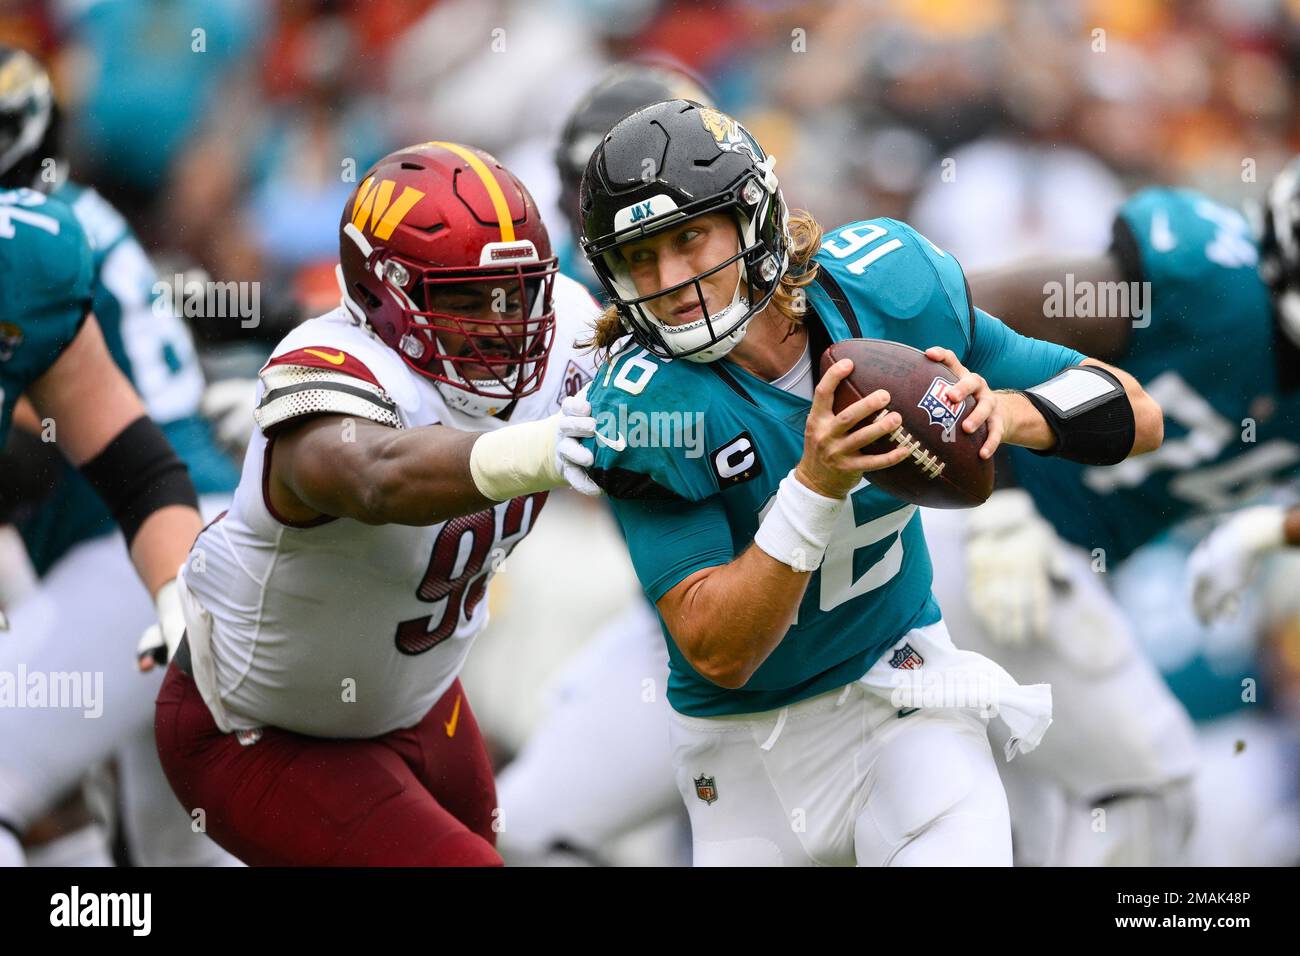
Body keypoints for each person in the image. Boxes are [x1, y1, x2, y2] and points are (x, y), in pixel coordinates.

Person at [577, 99, 1163, 866]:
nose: (669, 280)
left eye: (688, 238)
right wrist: (814, 486)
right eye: (640, 258)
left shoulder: (888, 289)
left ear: (753, 219)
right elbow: (720, 653)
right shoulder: (644, 407)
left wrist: (1006, 413)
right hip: (746, 754)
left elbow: (1139, 414)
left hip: (904, 692)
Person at [153, 141, 602, 866]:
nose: (502, 323)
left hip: (422, 702)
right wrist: (539, 449)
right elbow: (378, 477)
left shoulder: (570, 331)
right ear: (379, 295)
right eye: (465, 298)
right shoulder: (334, 366)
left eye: (516, 292)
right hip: (261, 726)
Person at [923, 165, 1300, 864]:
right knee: (1147, 785)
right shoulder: (1206, 282)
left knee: (1005, 811)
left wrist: (1266, 531)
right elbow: (959, 316)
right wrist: (1003, 498)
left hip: (1054, 566)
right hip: (973, 523)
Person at [0, 47, 206, 866]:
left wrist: (179, 595)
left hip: (135, 551)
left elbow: (98, 460)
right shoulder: (66, 227)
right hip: (152, 543)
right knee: (171, 852)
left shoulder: (30, 255)